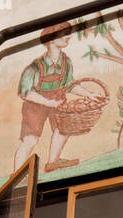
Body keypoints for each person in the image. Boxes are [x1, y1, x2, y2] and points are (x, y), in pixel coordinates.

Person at [13, 24, 78, 173]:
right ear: (51, 39)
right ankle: (16, 174)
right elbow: (25, 92)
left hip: (58, 101)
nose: (69, 37)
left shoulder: (66, 62)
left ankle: (52, 162)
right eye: (64, 34)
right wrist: (48, 102)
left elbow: (69, 85)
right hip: (35, 105)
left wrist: (89, 94)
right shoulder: (35, 67)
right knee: (30, 139)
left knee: (63, 129)